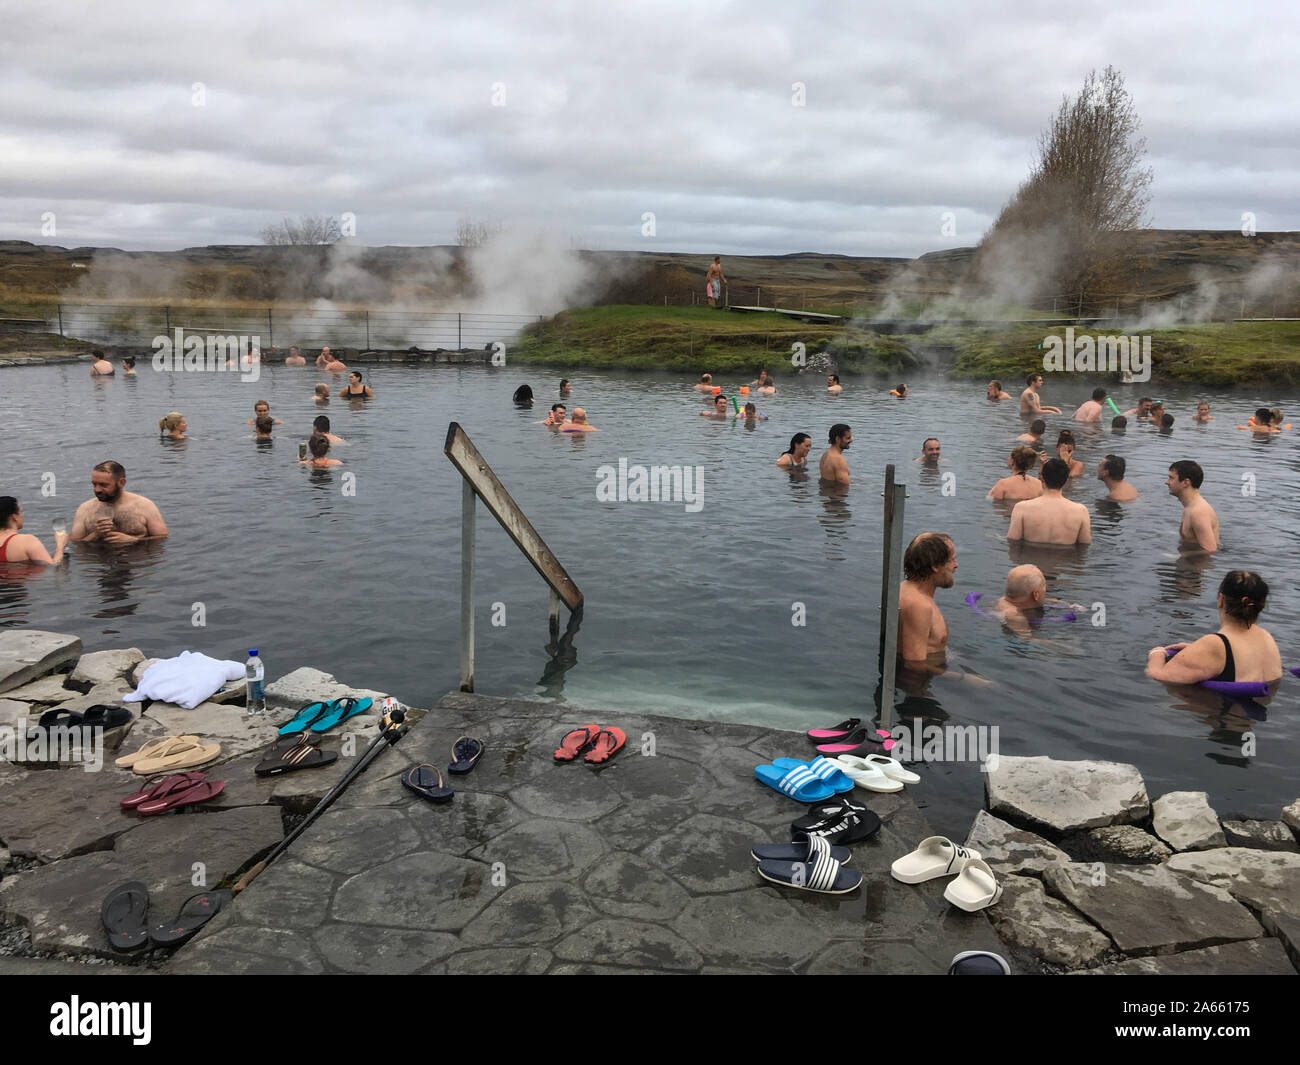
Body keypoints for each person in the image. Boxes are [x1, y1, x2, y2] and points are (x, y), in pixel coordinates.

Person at [1146, 571, 1281, 687]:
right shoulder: (1267, 638)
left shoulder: (1215, 644)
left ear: (1221, 599)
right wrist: (1195, 650)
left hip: (1224, 715)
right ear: (1261, 606)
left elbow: (1158, 675)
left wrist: (1157, 652)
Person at [70, 461, 169, 542]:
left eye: (103, 485)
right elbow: (75, 543)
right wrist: (95, 535)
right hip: (99, 563)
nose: (97, 490)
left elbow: (162, 537)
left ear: (121, 483)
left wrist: (134, 540)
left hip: (136, 562)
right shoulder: (85, 509)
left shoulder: (144, 506)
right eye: (94, 484)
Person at [898, 532, 957, 663]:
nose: (956, 565)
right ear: (935, 566)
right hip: (920, 681)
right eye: (952, 560)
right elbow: (913, 665)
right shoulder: (918, 606)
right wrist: (964, 678)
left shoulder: (906, 589)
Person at [1007, 458, 1091, 545]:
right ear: (1066, 480)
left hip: (1030, 557)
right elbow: (1085, 546)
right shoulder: (1081, 511)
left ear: (1042, 479)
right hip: (1064, 558)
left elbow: (1013, 543)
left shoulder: (1022, 508)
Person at [992, 565, 1077, 637]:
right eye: (1044, 586)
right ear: (1036, 595)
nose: (1045, 590)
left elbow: (1041, 600)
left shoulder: (1006, 601)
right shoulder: (1014, 616)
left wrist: (1067, 606)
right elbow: (1027, 639)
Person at [1167, 460, 1218, 552]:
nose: (1166, 482)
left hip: (1197, 565)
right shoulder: (1188, 508)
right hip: (1188, 563)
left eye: (1171, 478)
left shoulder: (1198, 513)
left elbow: (1211, 552)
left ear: (1186, 482)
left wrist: (1173, 557)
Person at [0, 497, 68, 564]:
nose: (22, 516)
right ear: (14, 517)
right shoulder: (26, 541)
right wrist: (60, 546)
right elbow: (52, 566)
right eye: (20, 511)